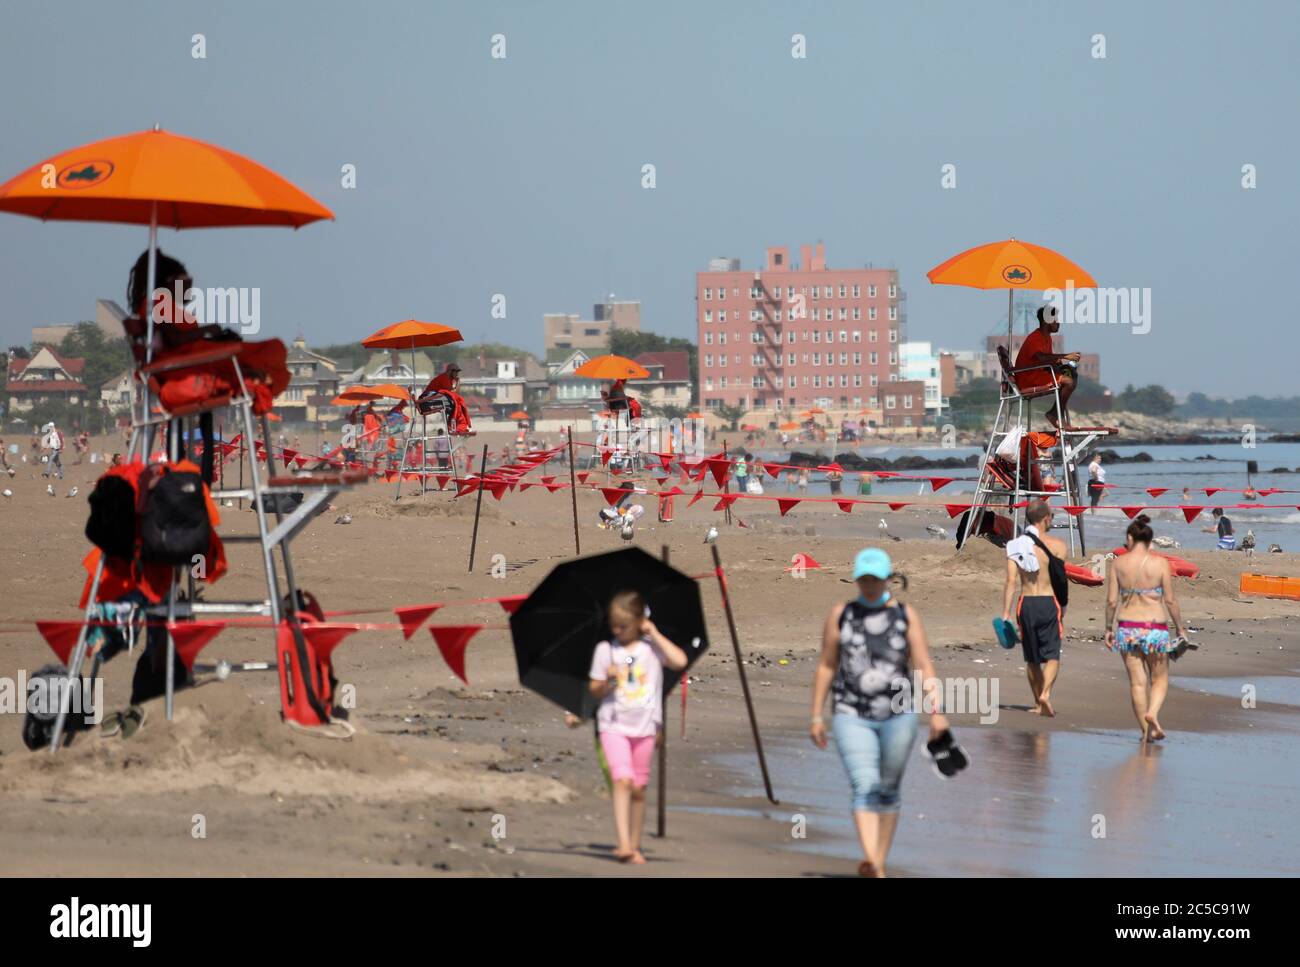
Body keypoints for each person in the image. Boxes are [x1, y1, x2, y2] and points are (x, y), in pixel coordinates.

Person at [810, 548, 947, 877]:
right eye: (864, 579)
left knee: (888, 790)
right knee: (864, 785)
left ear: (889, 579)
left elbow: (923, 665)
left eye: (875, 579)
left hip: (898, 715)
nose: (869, 585)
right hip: (850, 713)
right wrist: (816, 715)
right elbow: (827, 666)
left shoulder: (905, 616)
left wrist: (937, 712)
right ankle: (871, 858)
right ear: (857, 580)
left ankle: (879, 863)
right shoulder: (841, 614)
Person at [588, 590, 689, 864]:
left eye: (624, 625)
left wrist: (652, 632)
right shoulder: (606, 650)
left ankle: (634, 844)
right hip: (613, 724)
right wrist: (606, 682)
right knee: (622, 780)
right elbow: (594, 689)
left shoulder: (651, 649)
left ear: (638, 622)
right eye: (614, 625)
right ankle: (623, 842)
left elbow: (680, 661)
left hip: (645, 727)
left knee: (639, 788)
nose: (618, 630)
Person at [1105, 515, 1187, 742]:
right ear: (1150, 542)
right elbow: (1170, 600)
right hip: (1155, 628)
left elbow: (1112, 601)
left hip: (1127, 628)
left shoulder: (1119, 564)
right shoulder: (1161, 564)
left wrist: (1108, 629)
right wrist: (1180, 629)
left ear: (1130, 538)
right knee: (1159, 679)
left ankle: (1146, 731)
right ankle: (1153, 713)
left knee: (1137, 682)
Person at [1002, 500, 1067, 716]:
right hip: (1048, 603)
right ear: (1046, 518)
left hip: (1026, 603)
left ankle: (1037, 704)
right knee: (1052, 656)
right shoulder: (1058, 546)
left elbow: (1011, 582)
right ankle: (1045, 694)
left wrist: (1006, 613)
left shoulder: (1015, 545)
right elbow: (1060, 581)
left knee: (1031, 659)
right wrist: (1063, 608)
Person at [1013, 305, 1080, 428]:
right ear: (1046, 321)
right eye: (1055, 320)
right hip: (1028, 378)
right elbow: (1041, 357)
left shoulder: (1047, 337)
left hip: (1038, 374)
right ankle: (1054, 414)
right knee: (1069, 382)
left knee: (1072, 375)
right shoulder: (1035, 338)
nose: (1058, 323)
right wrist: (1066, 356)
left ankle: (1055, 413)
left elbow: (1047, 360)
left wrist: (1061, 364)